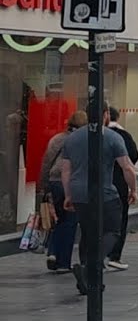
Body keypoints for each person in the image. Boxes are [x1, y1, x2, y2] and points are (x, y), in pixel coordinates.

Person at [57, 108, 138, 295]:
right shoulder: (112, 137)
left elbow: (66, 170)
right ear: (106, 115)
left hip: (79, 193)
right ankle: (90, 267)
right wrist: (133, 190)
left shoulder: (72, 138)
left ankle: (88, 275)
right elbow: (127, 168)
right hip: (104, 192)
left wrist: (69, 194)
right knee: (112, 230)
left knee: (87, 232)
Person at [38, 111, 88, 273]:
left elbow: (46, 162)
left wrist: (44, 187)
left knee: (59, 220)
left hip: (53, 181)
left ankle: (53, 252)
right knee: (70, 221)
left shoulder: (57, 139)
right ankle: (63, 262)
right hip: (69, 182)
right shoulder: (81, 140)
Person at [104, 107, 138, 271]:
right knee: (119, 220)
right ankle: (114, 255)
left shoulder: (88, 135)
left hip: (93, 185)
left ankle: (91, 258)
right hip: (117, 182)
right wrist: (134, 189)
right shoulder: (121, 136)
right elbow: (132, 158)